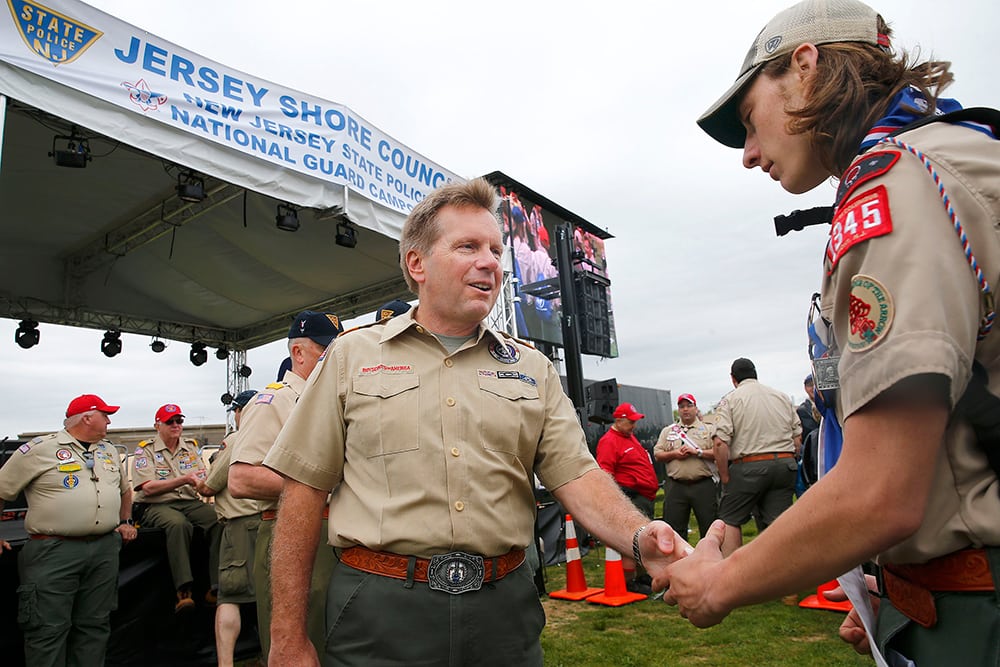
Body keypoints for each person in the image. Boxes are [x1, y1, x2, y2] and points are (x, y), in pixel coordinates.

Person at [664, 1, 1000, 665]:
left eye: (747, 121)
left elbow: (881, 491)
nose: (750, 153)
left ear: (807, 66)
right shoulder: (948, 156)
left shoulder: (898, 184)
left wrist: (722, 583)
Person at [262, 178, 688, 667]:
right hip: (380, 612)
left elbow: (577, 474)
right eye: (468, 246)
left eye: (495, 249)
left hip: (504, 612)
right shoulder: (352, 357)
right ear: (416, 264)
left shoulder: (531, 368)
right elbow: (303, 492)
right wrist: (287, 636)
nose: (490, 262)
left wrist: (639, 537)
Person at [228, 310, 344, 661]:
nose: (335, 358)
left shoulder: (332, 399)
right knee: (298, 644)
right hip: (293, 533)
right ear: (298, 353)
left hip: (335, 532)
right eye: (326, 351)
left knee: (331, 640)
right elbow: (241, 478)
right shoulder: (274, 400)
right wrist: (317, 482)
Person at [0, 394, 137, 667]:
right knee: (47, 629)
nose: (109, 420)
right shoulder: (39, 449)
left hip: (103, 549)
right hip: (54, 550)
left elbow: (124, 490)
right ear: (87, 418)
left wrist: (125, 521)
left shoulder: (108, 450)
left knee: (95, 626)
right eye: (105, 415)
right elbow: (2, 489)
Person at [132, 403, 221, 613]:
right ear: (157, 425)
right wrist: (184, 480)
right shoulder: (145, 450)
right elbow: (149, 488)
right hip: (156, 504)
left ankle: (216, 586)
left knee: (219, 519)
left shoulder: (190, 447)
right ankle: (183, 590)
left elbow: (200, 478)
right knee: (178, 525)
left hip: (189, 502)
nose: (175, 425)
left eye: (179, 421)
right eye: (169, 422)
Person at [711, 358, 802, 556]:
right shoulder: (781, 396)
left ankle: (730, 577)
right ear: (755, 373)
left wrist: (725, 476)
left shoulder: (731, 400)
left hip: (749, 466)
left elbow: (719, 443)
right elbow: (797, 438)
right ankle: (784, 579)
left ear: (733, 379)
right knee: (777, 522)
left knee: (730, 519)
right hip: (785, 464)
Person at [196, 389, 259, 667]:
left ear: (239, 412)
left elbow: (210, 484)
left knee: (229, 596)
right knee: (269, 599)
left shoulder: (236, 440)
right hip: (271, 524)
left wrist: (195, 481)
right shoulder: (278, 435)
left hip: (240, 528)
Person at [596, 402, 660, 594]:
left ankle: (641, 576)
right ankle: (629, 580)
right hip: (632, 497)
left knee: (643, 540)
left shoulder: (629, 437)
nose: (634, 425)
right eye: (630, 421)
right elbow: (605, 471)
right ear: (619, 420)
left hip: (643, 496)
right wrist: (621, 492)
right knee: (631, 540)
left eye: (635, 421)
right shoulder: (609, 441)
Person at [654, 393, 718, 542]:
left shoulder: (708, 430)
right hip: (676, 485)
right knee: (674, 529)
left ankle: (710, 561)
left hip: (702, 484)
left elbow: (719, 453)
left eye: (689, 405)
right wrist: (675, 454)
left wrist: (698, 452)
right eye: (681, 406)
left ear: (696, 408)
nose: (685, 409)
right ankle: (679, 562)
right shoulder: (668, 431)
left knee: (709, 527)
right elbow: (658, 454)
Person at [795, 374, 821, 495]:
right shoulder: (802, 410)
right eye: (809, 385)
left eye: (815, 384)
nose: (812, 387)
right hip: (811, 453)